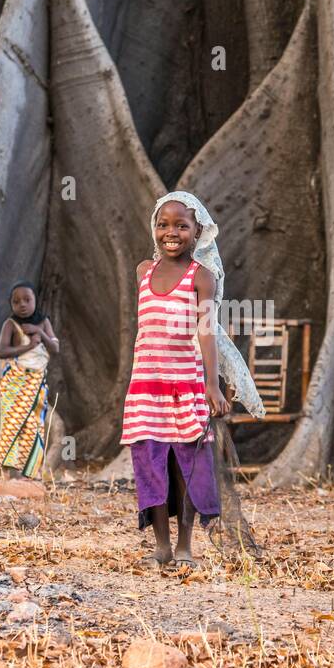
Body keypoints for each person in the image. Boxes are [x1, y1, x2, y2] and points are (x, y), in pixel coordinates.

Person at [121, 190, 264, 572]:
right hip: (146, 388)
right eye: (163, 224)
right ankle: (162, 546)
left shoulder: (201, 277)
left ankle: (185, 545)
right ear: (154, 228)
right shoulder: (142, 272)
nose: (171, 232)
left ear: (197, 231)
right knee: (150, 465)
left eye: (181, 225)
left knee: (187, 467)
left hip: (186, 386)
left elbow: (206, 331)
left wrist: (212, 384)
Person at [0, 281, 59, 480]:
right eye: (16, 301)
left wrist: (39, 332)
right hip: (15, 382)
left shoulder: (43, 322)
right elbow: (2, 351)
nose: (22, 304)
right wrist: (27, 347)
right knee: (12, 425)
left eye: (27, 300)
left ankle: (27, 473)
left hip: (36, 383)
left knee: (33, 426)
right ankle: (7, 473)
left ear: (35, 300)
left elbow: (55, 348)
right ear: (11, 305)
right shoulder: (10, 325)